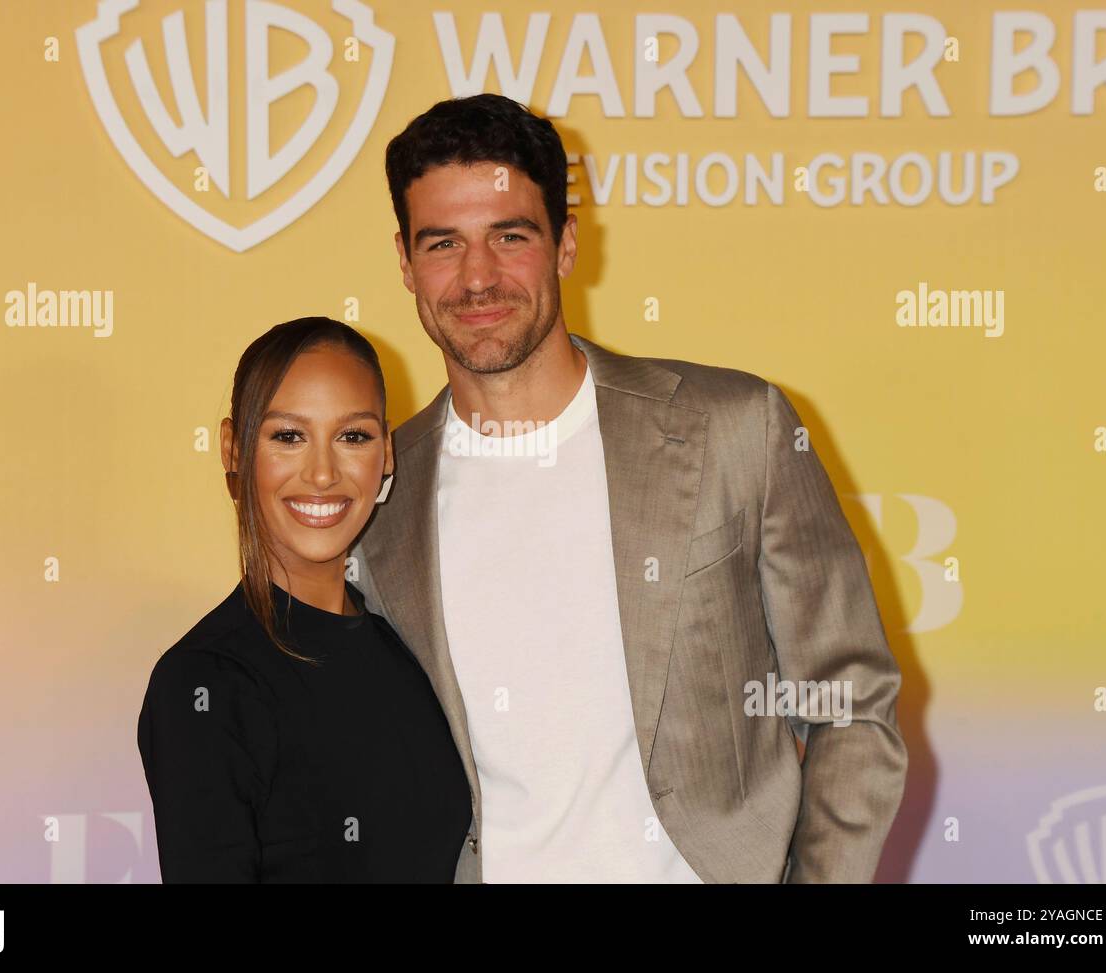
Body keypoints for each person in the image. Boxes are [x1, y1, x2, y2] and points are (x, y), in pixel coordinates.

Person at [349, 94, 908, 883]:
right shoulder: (377, 493)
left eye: (511, 236)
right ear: (405, 262)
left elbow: (848, 699)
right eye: (444, 244)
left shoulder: (735, 428)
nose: (478, 278)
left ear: (566, 244)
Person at [137, 317, 471, 882]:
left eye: (353, 436)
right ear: (233, 448)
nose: (322, 473)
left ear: (386, 453)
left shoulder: (409, 643)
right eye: (288, 436)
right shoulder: (205, 682)